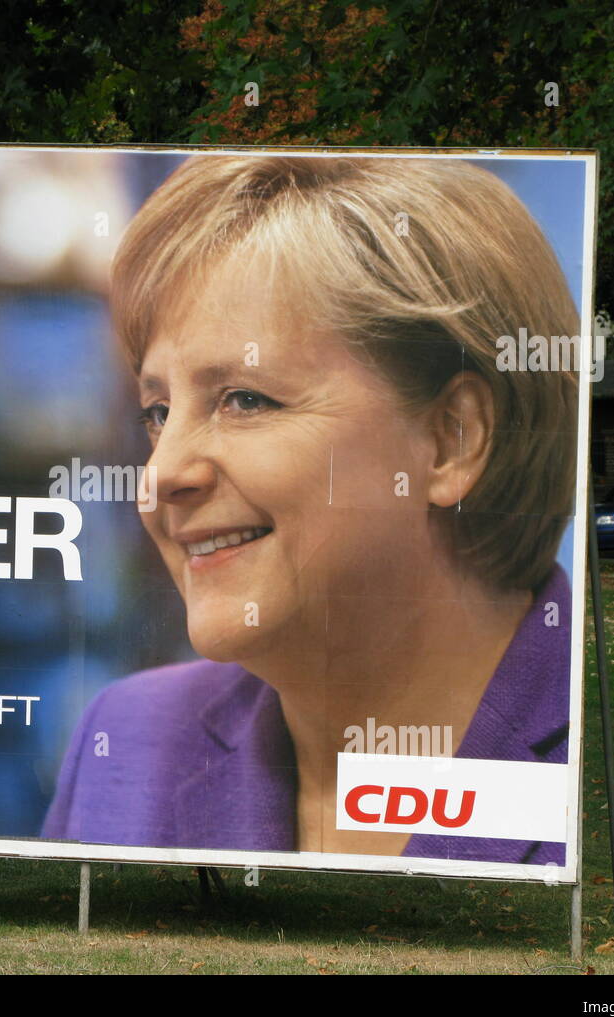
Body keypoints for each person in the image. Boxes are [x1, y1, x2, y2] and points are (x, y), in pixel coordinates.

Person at [42, 155, 578, 866]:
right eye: (157, 411)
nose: (162, 475)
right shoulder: (126, 739)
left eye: (244, 399)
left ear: (452, 439)